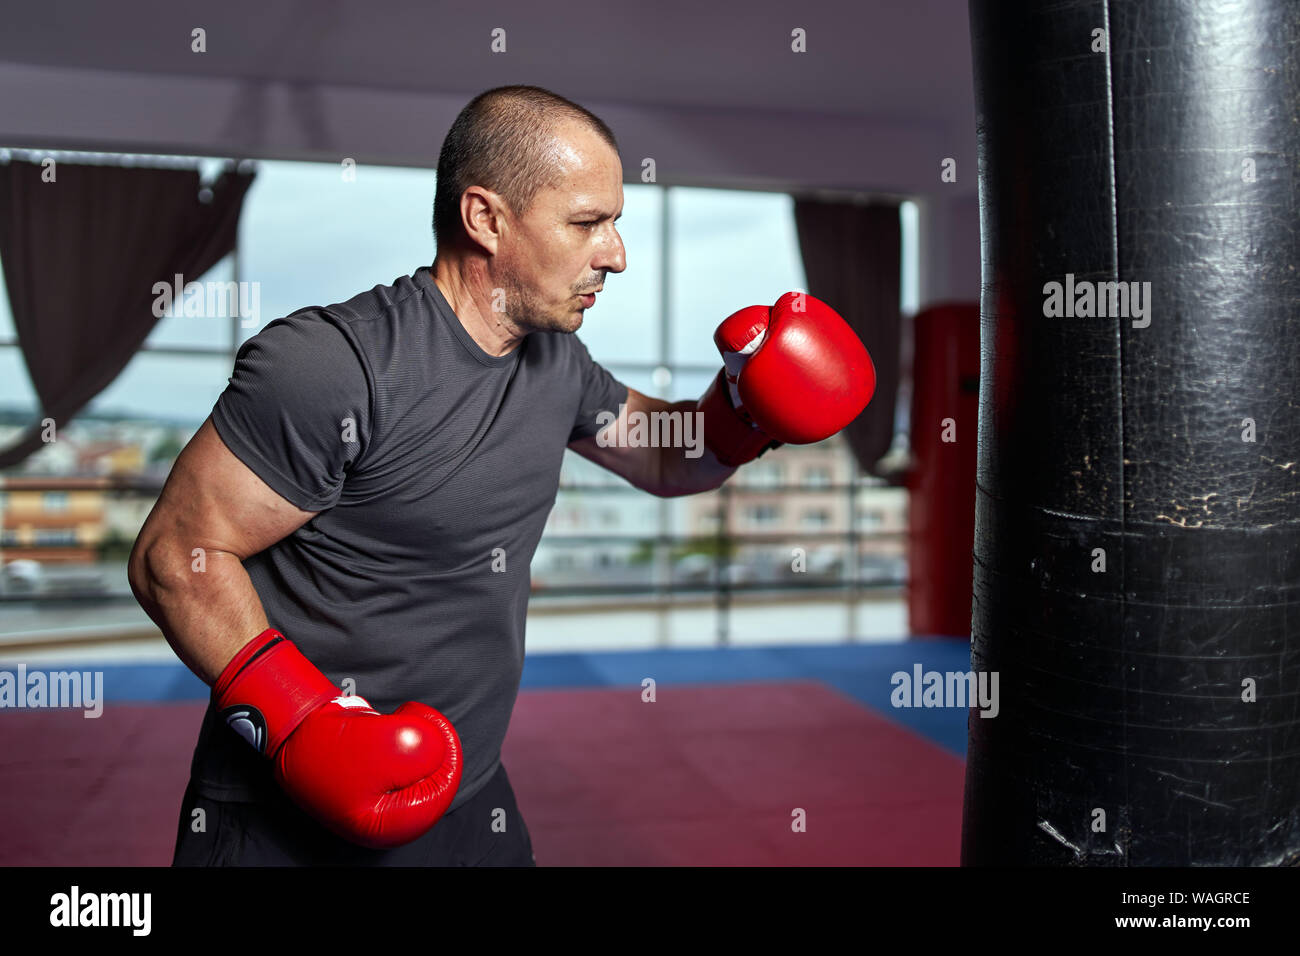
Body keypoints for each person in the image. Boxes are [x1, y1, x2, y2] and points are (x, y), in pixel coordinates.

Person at [128, 84, 872, 866]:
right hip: (284, 812)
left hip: (470, 790)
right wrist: (303, 724)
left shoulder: (556, 362)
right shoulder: (334, 366)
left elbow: (664, 454)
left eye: (615, 223)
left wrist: (742, 411)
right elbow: (175, 556)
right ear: (486, 218)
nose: (615, 254)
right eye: (586, 223)